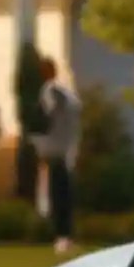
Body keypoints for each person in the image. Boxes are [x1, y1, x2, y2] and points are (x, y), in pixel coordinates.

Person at [36, 57, 82, 255]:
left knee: (62, 195)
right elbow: (50, 115)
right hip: (58, 150)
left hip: (62, 149)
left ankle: (65, 235)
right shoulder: (53, 92)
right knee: (59, 195)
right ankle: (61, 236)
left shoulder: (57, 91)